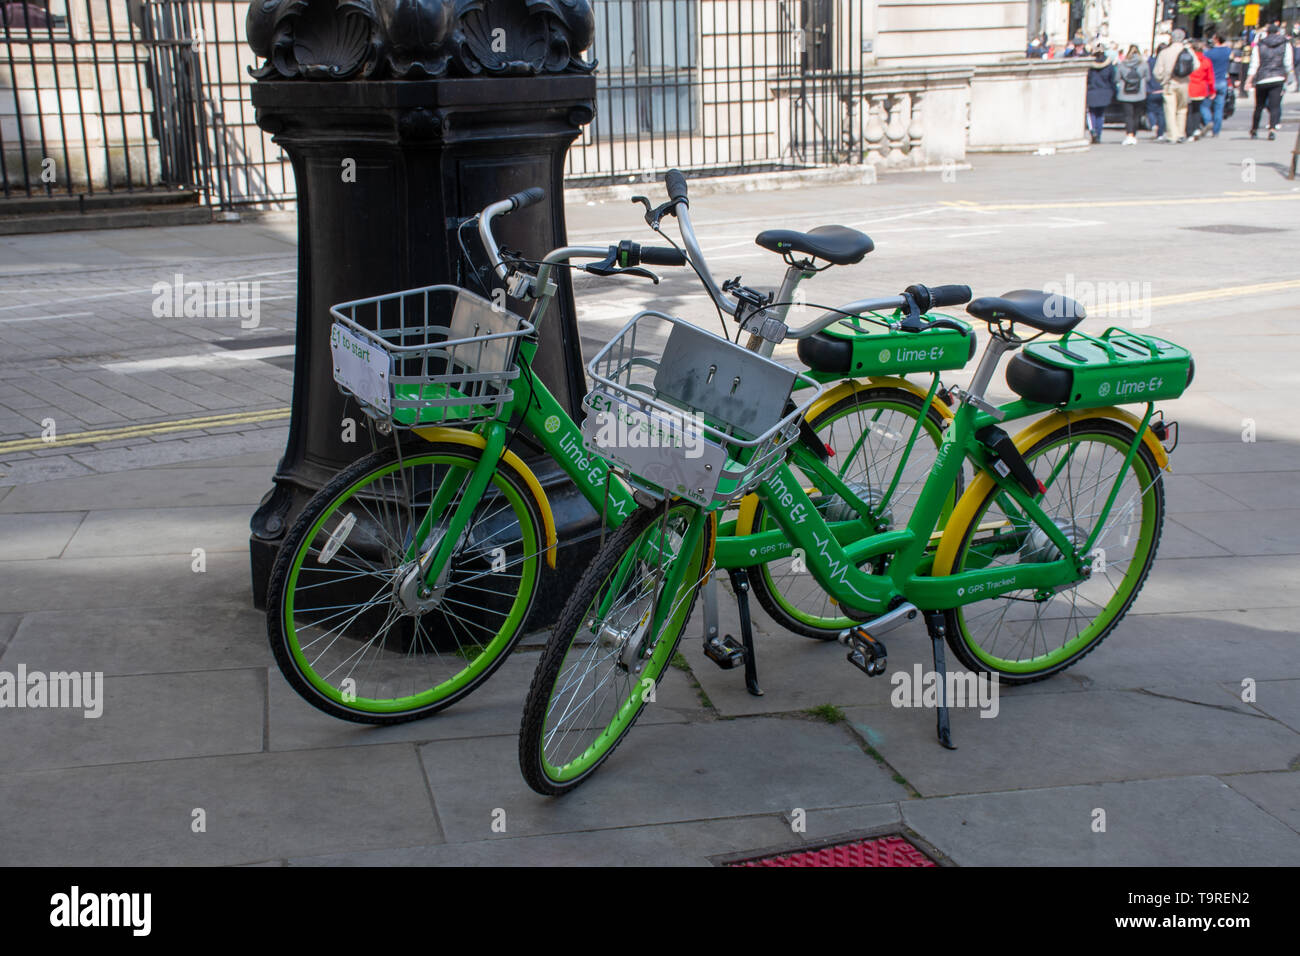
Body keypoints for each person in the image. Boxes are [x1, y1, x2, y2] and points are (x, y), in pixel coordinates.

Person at [1248, 23, 1295, 138]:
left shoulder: (1260, 44)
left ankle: (1254, 129)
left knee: (1259, 106)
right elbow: (1288, 63)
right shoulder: (1285, 43)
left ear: (1267, 33)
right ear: (1278, 32)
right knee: (1275, 106)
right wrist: (1288, 76)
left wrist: (1249, 79)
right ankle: (1272, 129)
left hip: (1262, 78)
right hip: (1278, 77)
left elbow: (1255, 63)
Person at [1114, 44, 1151, 145]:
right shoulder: (1143, 64)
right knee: (1136, 115)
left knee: (1128, 115)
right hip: (1140, 93)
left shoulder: (1122, 64)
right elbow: (1148, 78)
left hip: (1125, 94)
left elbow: (1116, 78)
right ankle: (1133, 134)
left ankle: (1129, 134)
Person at [1202, 33, 1232, 136]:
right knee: (1219, 107)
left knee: (1204, 105)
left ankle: (1208, 121)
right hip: (1222, 81)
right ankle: (1216, 131)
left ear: (1216, 39)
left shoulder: (1209, 53)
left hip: (1210, 81)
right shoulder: (1227, 51)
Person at [1086, 47, 1116, 143]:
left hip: (1092, 91)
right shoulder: (1109, 65)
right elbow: (1112, 79)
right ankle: (1098, 134)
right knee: (1100, 115)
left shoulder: (1089, 65)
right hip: (1104, 91)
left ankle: (1093, 131)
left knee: (1091, 114)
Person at [1187, 41, 1216, 139]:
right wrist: (1212, 90)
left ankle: (1189, 131)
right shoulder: (1206, 61)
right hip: (1201, 88)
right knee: (1197, 110)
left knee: (1189, 111)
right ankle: (1196, 129)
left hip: (1190, 86)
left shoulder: (1189, 60)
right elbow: (1210, 78)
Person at [1147, 44, 1168, 140]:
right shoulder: (1166, 63)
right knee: (1161, 112)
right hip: (1163, 89)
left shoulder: (1150, 62)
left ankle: (1153, 124)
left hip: (1152, 90)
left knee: (1150, 110)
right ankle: (1160, 133)